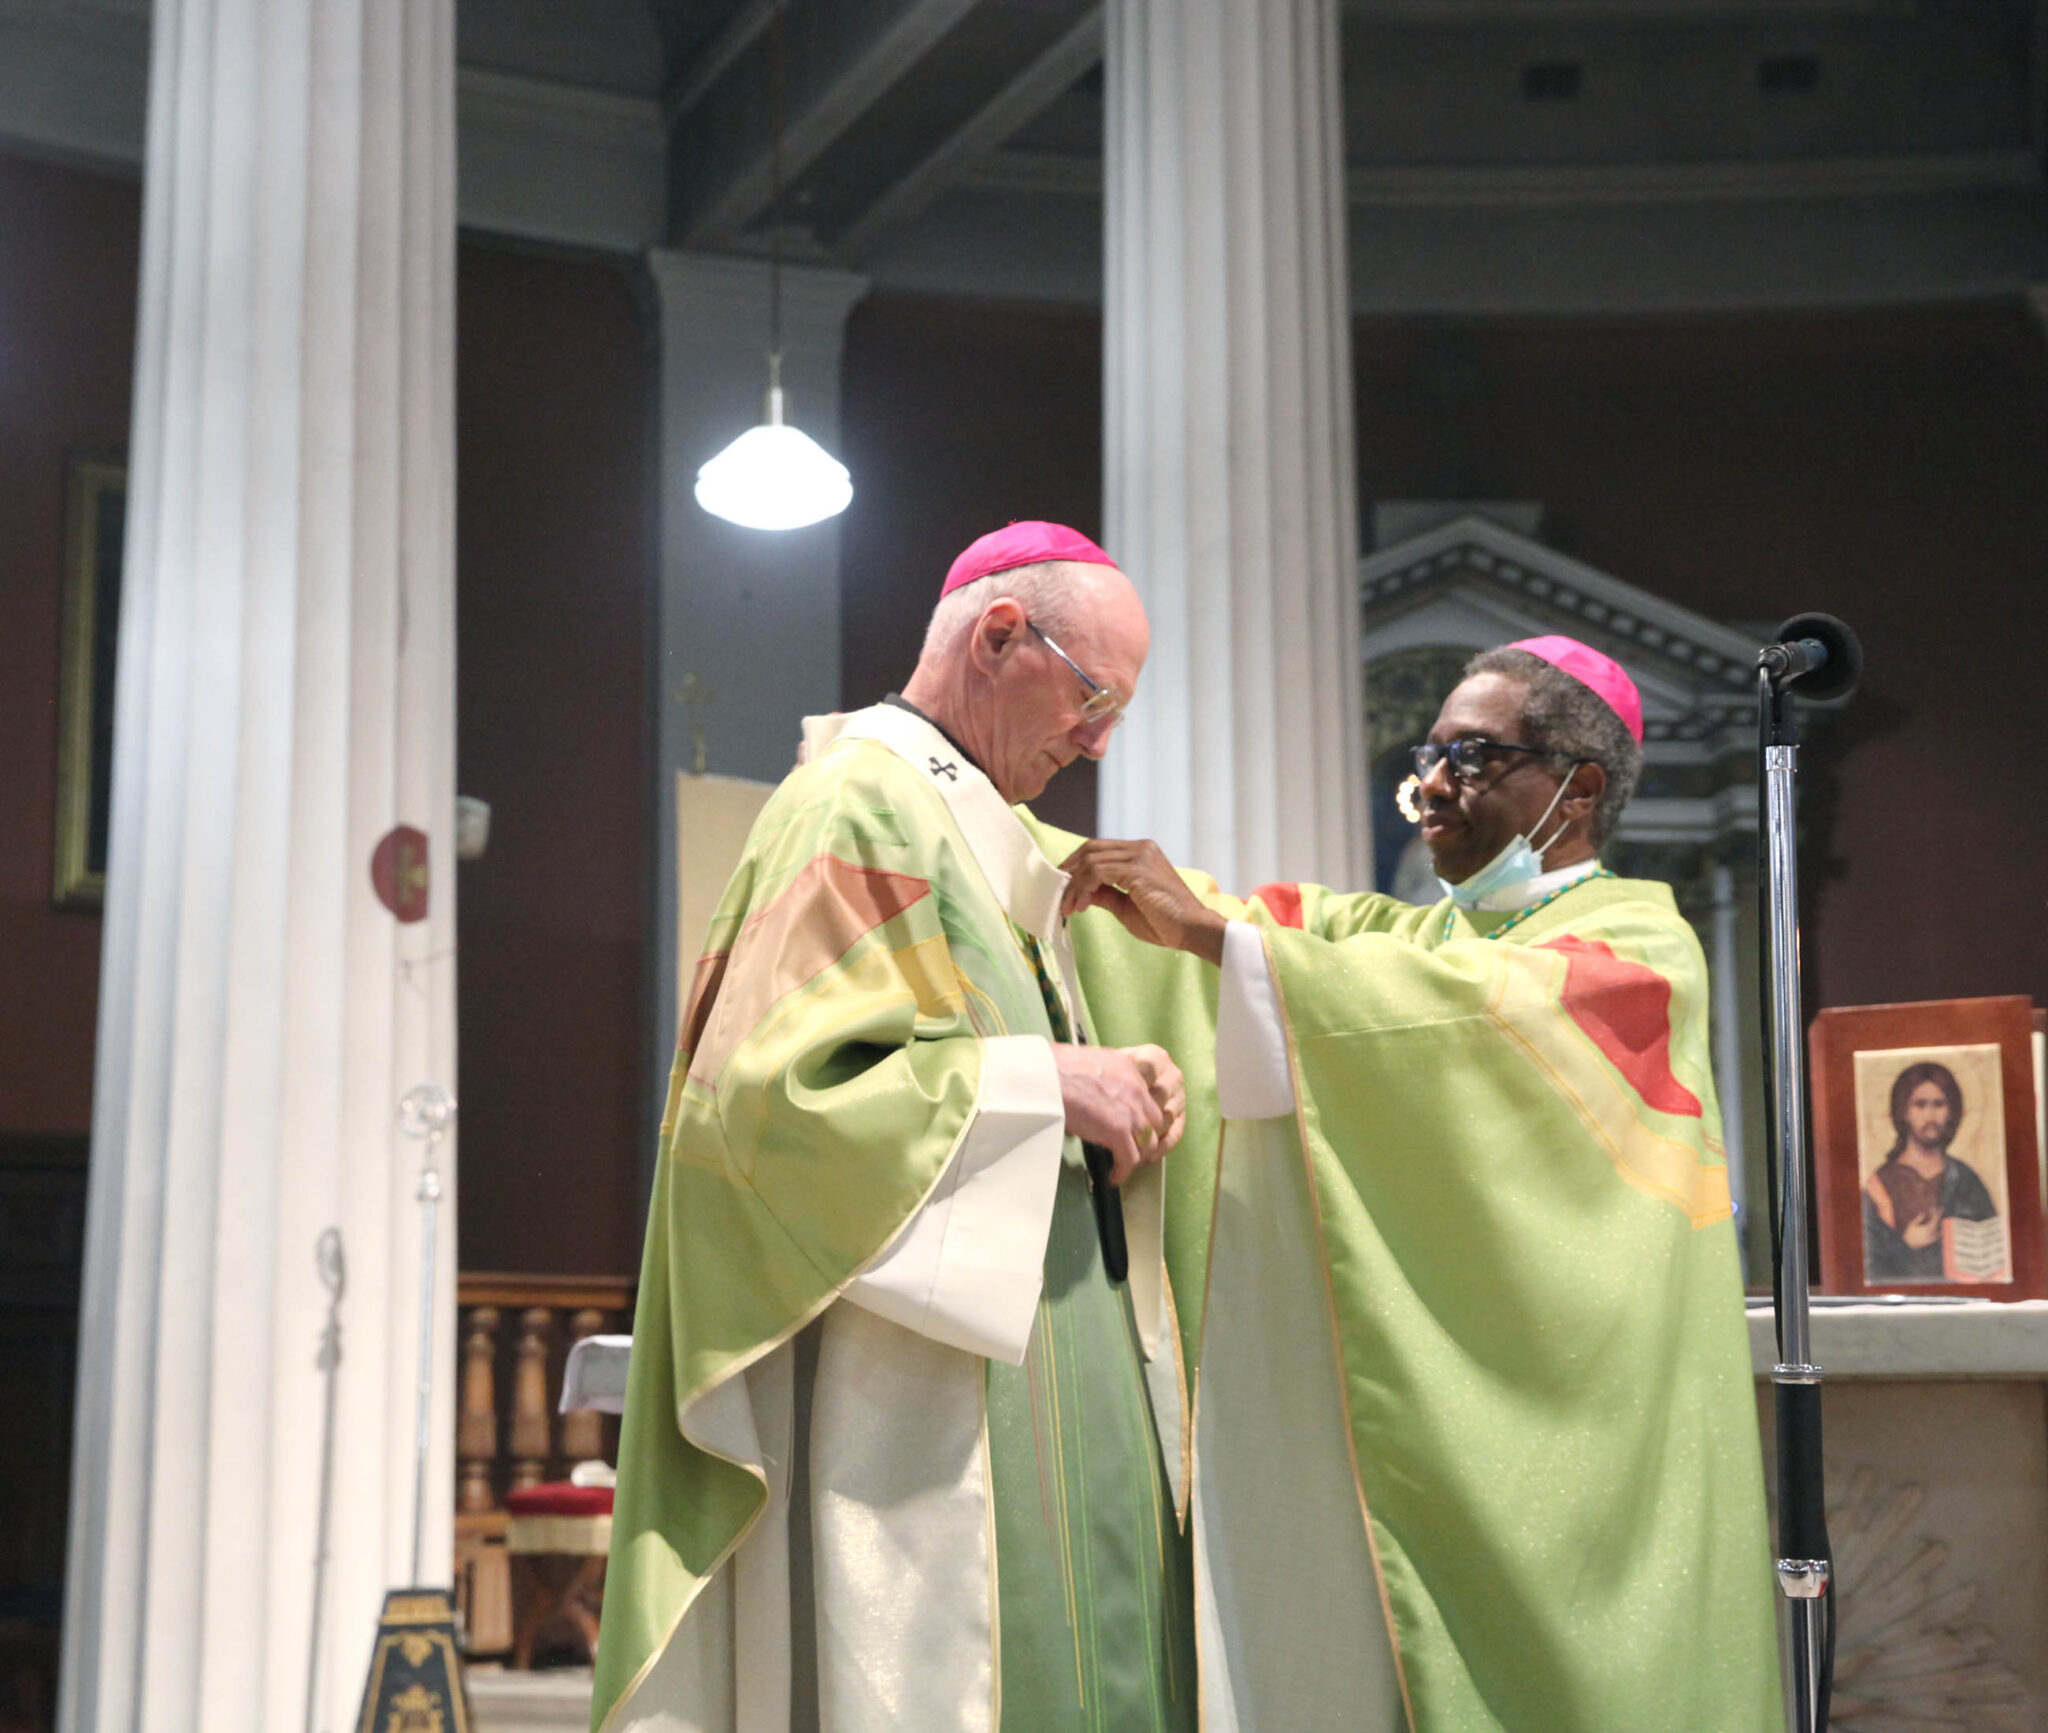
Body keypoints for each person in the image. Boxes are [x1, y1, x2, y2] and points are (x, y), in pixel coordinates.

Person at [1040, 636, 1782, 1731]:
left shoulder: (1634, 943)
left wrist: (1219, 939)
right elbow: (1273, 932)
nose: (1431, 785)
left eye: (1471, 756)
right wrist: (1004, 835)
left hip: (1578, 1440)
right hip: (1412, 1425)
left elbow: (1458, 1002)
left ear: (1577, 787)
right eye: (1426, 755)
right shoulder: (1413, 934)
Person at [594, 523, 1197, 1733]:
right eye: (1092, 700)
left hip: (1052, 1351)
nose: (1096, 741)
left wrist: (1119, 1078)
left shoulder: (977, 829)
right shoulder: (858, 802)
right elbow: (774, 1097)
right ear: (998, 635)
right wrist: (1047, 1082)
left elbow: (994, 1045)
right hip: (931, 1404)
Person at [1863, 1060, 1998, 1280]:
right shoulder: (1879, 1186)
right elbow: (1868, 1265)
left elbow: (1993, 1257)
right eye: (1920, 1104)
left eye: (1939, 1104)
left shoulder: (1966, 1180)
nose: (1930, 1115)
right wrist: (1906, 1244)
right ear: (1904, 1112)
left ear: (1950, 1111)